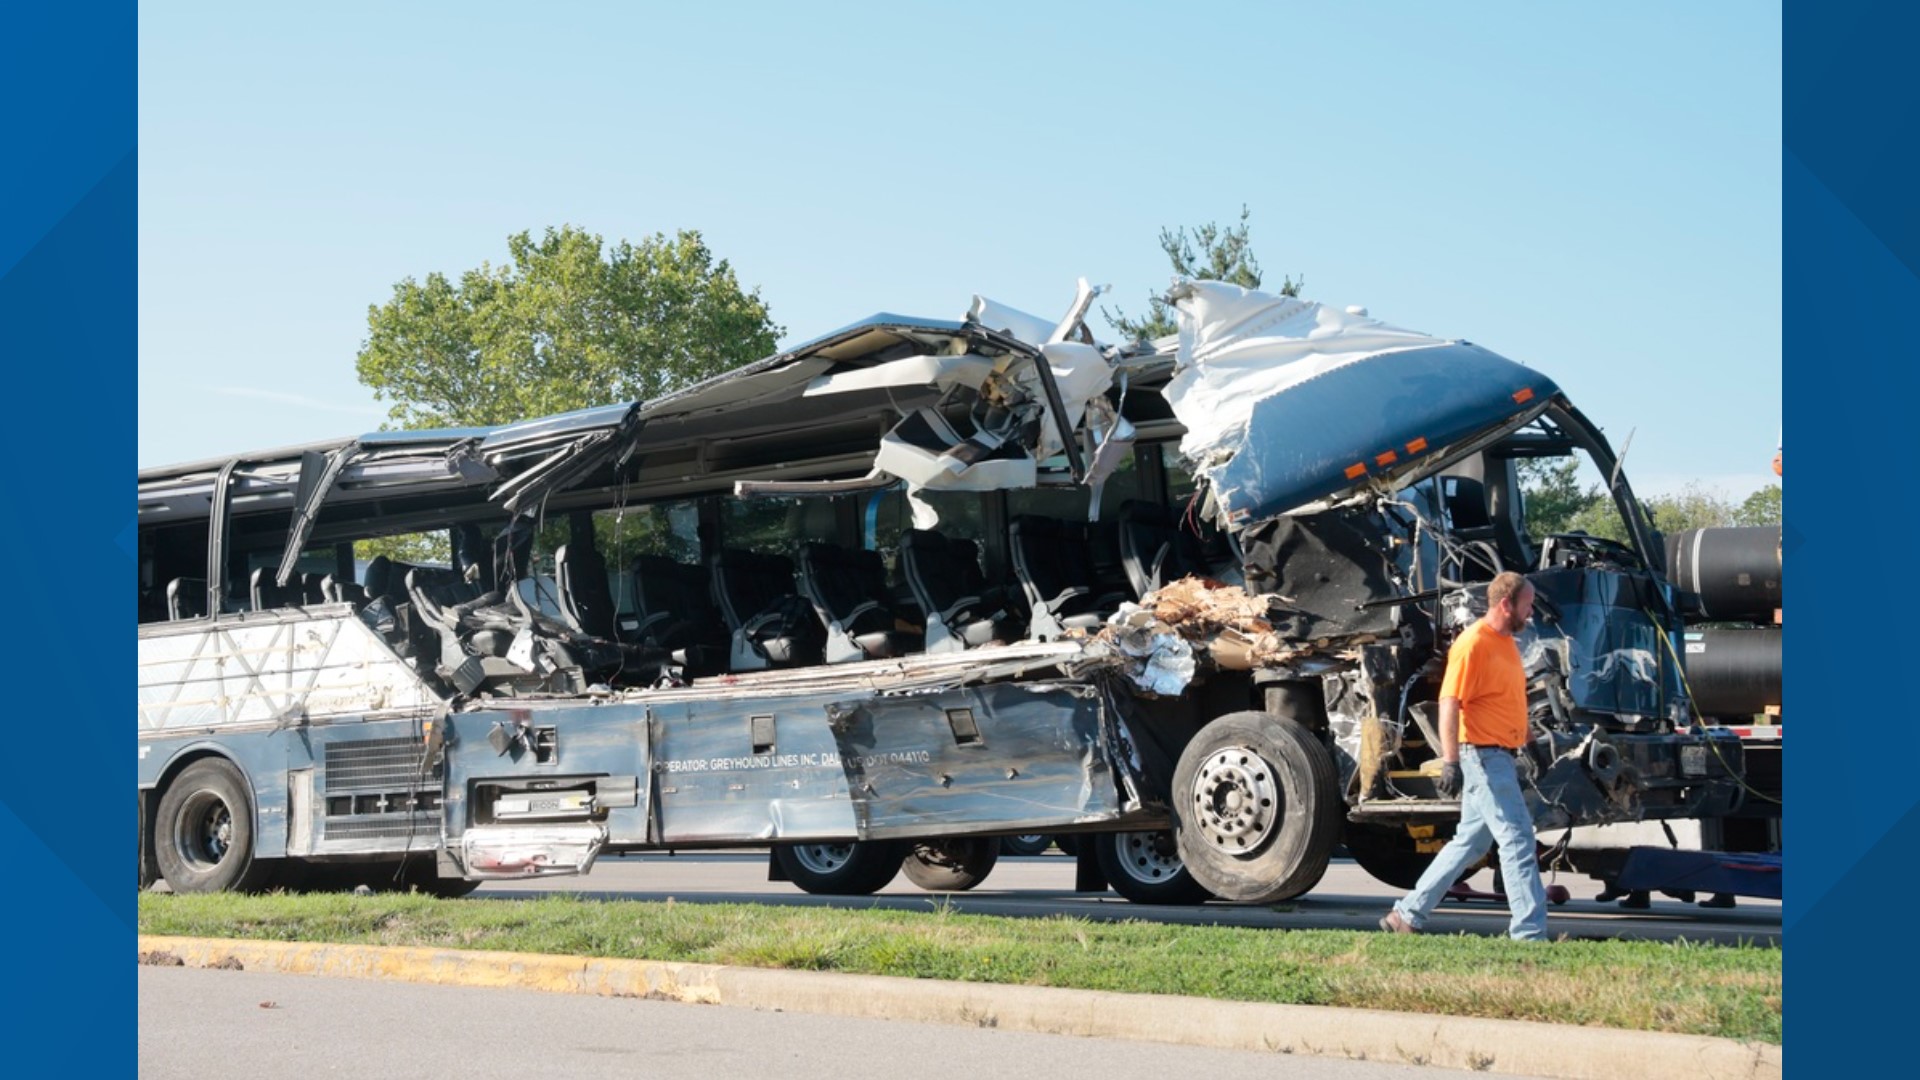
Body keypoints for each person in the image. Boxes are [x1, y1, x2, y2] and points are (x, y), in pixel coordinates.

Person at [1381, 570, 1549, 941]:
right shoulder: (1473, 644)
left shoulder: (1506, 644)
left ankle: (1406, 915)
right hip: (1484, 757)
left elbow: (1510, 702)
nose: (1531, 612)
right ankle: (1530, 935)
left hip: (1500, 753)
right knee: (1517, 838)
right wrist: (1452, 761)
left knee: (1471, 843)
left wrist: (1531, 742)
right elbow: (1449, 702)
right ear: (1506, 604)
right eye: (1527, 605)